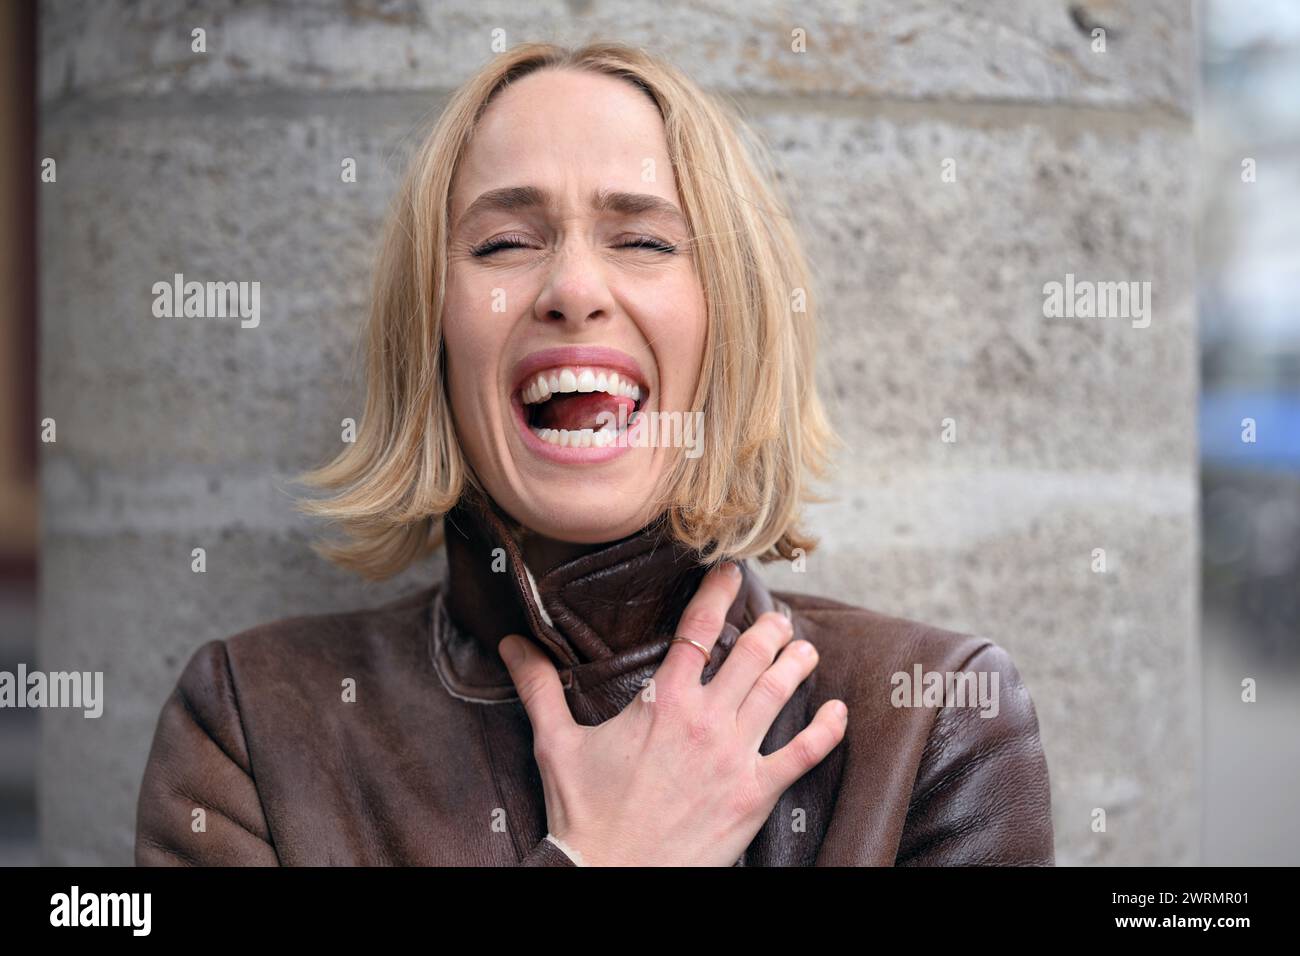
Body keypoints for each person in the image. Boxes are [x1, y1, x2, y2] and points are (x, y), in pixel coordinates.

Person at [135, 40, 1054, 866]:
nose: (573, 287)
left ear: (732, 325)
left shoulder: (934, 722)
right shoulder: (250, 724)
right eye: (503, 243)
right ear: (433, 334)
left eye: (645, 239)